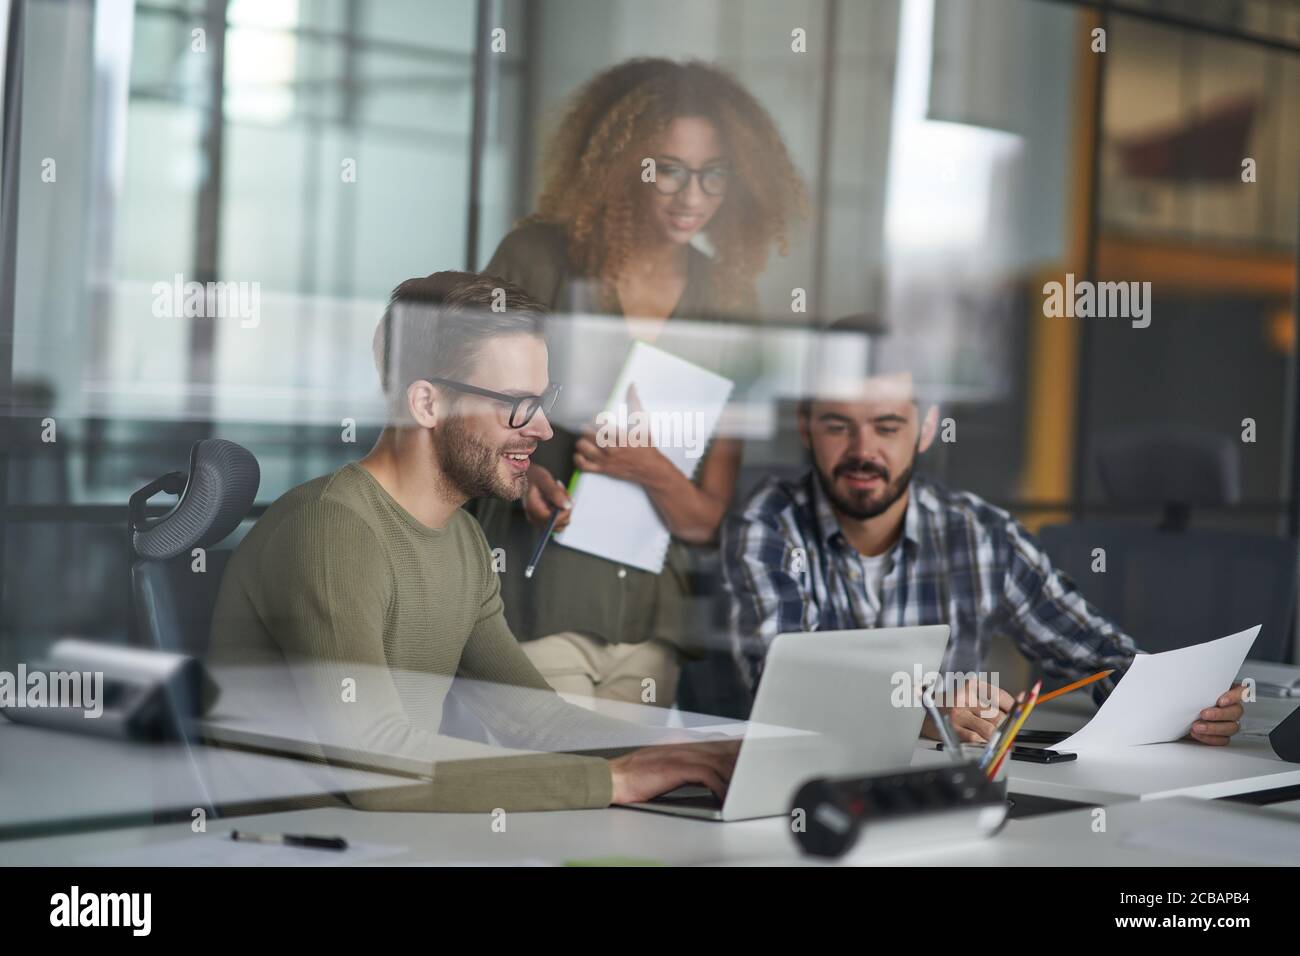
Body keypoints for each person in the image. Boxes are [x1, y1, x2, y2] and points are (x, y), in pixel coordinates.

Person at [207, 272, 736, 812]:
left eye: (542, 400)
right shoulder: (329, 530)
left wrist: (691, 755)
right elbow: (374, 766)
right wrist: (615, 781)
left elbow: (533, 719)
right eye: (516, 404)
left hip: (391, 842)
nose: (544, 430)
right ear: (428, 404)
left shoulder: (463, 538)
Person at [474, 58, 807, 706]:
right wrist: (525, 479)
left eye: (714, 175)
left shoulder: (730, 304)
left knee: (631, 802)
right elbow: (458, 419)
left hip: (654, 627)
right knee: (564, 788)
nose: (692, 197)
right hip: (535, 601)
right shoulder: (540, 259)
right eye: (670, 170)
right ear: (622, 162)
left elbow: (709, 521)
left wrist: (648, 467)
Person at [721, 337, 1247, 746]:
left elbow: (1097, 653)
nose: (863, 451)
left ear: (926, 429)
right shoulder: (768, 523)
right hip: (805, 788)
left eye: (887, 427)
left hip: (949, 791)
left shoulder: (978, 534)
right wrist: (923, 713)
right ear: (805, 426)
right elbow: (781, 686)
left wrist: (1189, 703)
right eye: (839, 426)